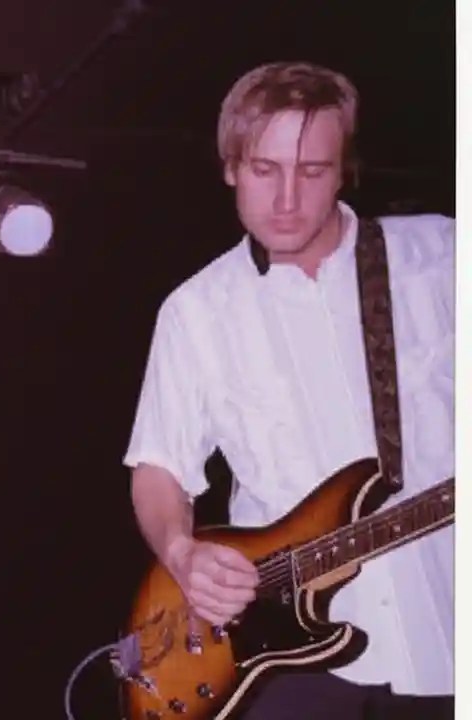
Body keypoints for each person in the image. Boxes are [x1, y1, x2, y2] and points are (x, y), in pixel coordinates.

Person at [124, 61, 454, 718]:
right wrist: (182, 552)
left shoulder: (444, 258)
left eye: (312, 172)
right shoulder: (195, 311)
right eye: (264, 169)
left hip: (447, 625)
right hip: (286, 651)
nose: (286, 200)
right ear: (230, 167)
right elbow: (158, 467)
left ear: (344, 170)